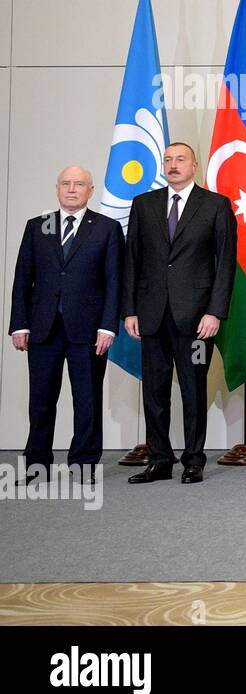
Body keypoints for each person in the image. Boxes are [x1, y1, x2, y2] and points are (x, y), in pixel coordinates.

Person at [122, 142, 236, 485]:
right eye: (168, 160)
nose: (173, 165)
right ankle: (159, 459)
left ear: (194, 165)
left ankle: (193, 459)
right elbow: (132, 260)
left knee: (193, 389)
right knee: (154, 391)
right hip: (151, 315)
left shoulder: (215, 205)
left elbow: (226, 263)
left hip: (197, 319)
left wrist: (215, 312)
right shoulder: (144, 205)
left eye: (180, 160)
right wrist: (130, 310)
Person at [9, 166, 123, 486]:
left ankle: (83, 465)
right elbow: (22, 279)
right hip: (43, 329)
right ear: (57, 188)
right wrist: (19, 324)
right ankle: (37, 466)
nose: (72, 189)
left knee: (86, 399)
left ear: (91, 190)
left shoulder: (106, 228)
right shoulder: (37, 227)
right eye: (66, 184)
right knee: (41, 400)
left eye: (79, 185)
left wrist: (108, 326)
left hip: (88, 331)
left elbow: (114, 282)